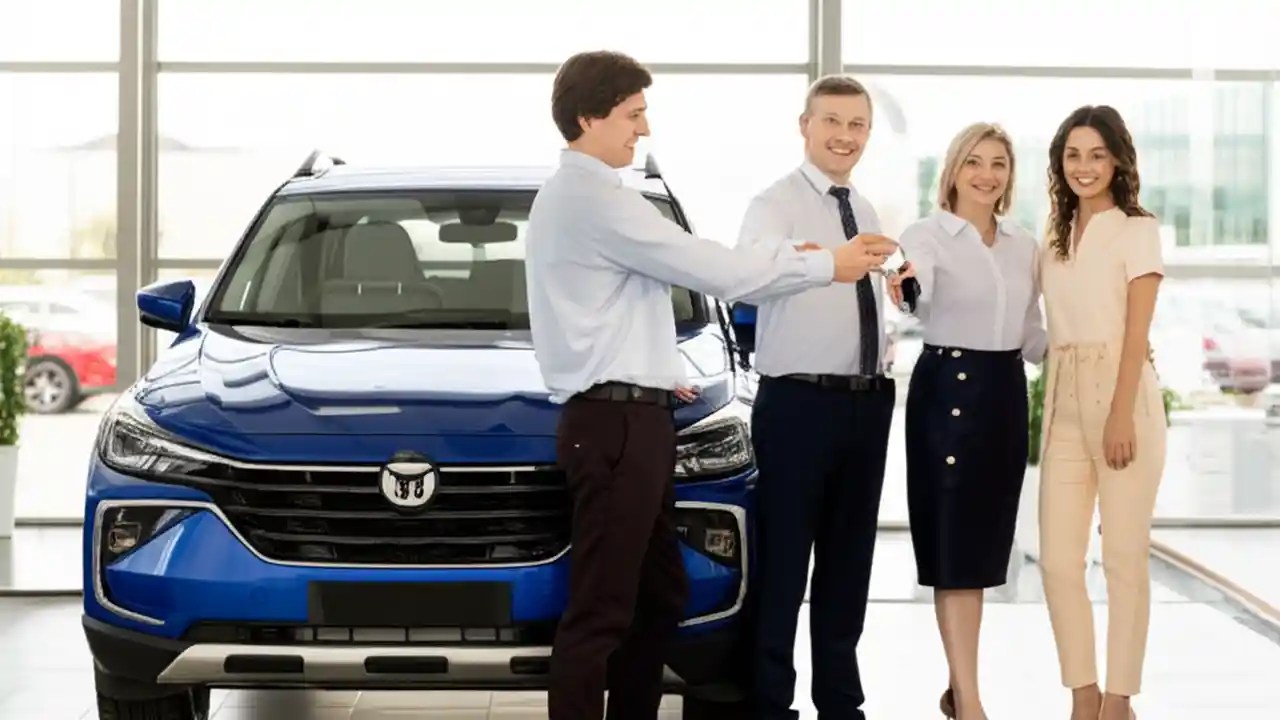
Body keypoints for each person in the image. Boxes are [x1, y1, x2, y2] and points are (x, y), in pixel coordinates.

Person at [525, 51, 899, 720]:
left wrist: (663, 379)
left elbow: (621, 307)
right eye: (633, 114)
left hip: (638, 417)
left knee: (661, 596)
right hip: (614, 427)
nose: (643, 129)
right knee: (602, 611)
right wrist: (829, 266)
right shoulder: (592, 198)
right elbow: (717, 271)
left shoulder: (598, 197)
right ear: (589, 117)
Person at [734, 74, 896, 720]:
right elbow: (752, 273)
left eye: (857, 125)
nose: (845, 136)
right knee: (784, 564)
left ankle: (840, 702)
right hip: (799, 405)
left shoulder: (868, 208)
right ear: (804, 126)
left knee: (848, 565)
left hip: (867, 401)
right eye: (832, 122)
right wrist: (826, 257)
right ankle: (770, 702)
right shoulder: (773, 204)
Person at [890, 122, 1047, 720]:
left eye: (999, 164)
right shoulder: (927, 235)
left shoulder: (1022, 244)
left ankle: (960, 691)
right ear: (952, 170)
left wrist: (1090, 355)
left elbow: (1032, 336)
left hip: (1005, 395)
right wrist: (903, 286)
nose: (986, 175)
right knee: (953, 548)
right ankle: (972, 699)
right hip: (947, 395)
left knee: (982, 551)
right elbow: (912, 286)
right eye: (974, 162)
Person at [1036, 105, 1165, 720]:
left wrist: (1118, 416)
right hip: (1062, 395)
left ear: (1117, 160)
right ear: (1060, 164)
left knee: (1123, 557)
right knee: (1059, 559)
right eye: (1073, 155)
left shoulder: (1137, 229)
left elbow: (1138, 333)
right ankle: (1081, 694)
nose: (1084, 167)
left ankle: (1118, 700)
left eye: (1096, 155)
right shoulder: (1055, 236)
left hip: (1124, 394)